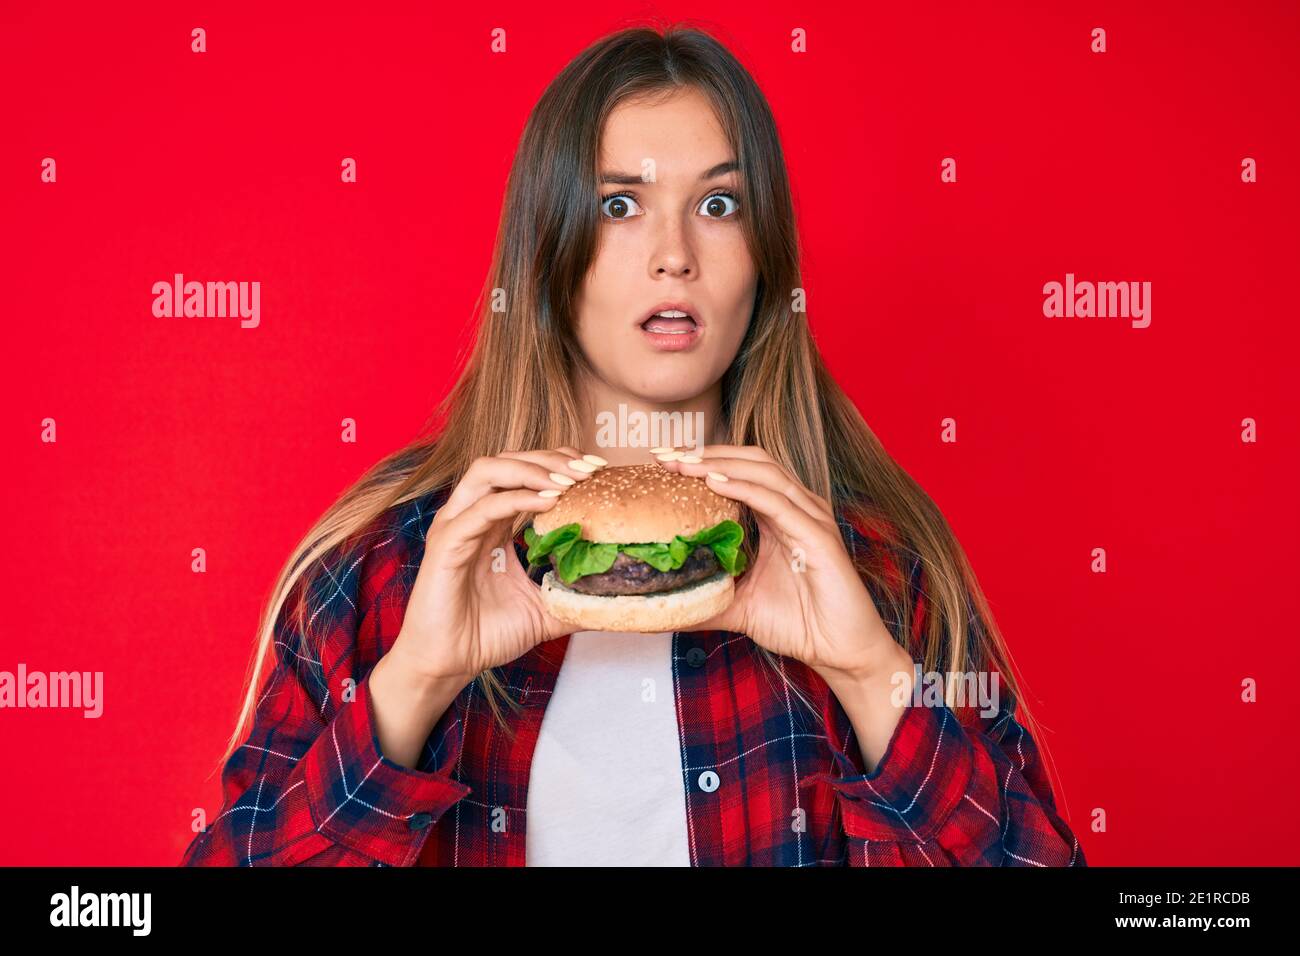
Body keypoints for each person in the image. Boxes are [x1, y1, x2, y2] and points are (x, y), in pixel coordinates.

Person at [181, 24, 1085, 867]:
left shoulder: (883, 575)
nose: (674, 255)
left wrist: (869, 674)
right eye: (620, 204)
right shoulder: (384, 572)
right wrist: (412, 684)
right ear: (547, 252)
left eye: (720, 204)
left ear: (767, 256)